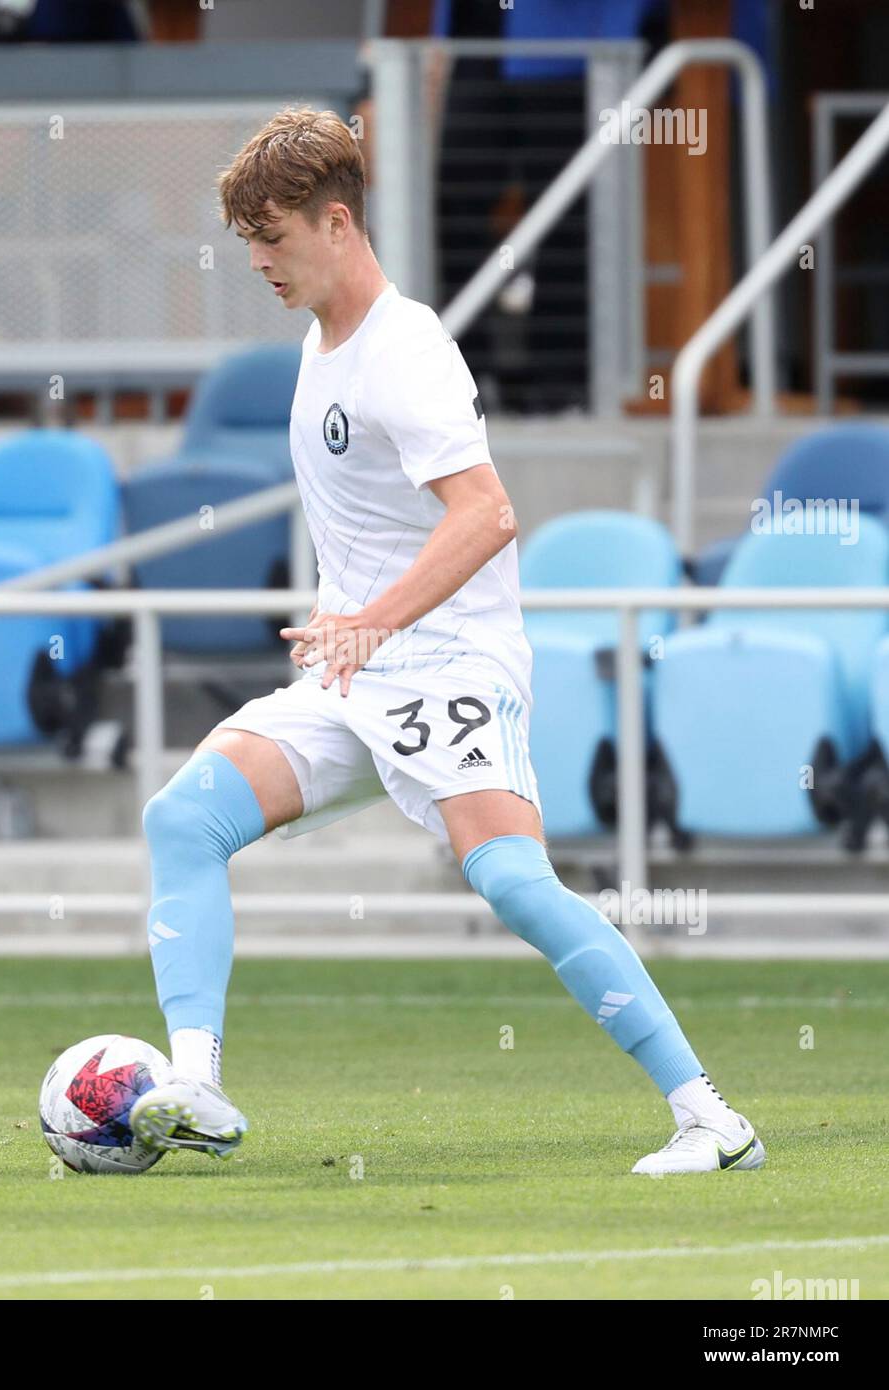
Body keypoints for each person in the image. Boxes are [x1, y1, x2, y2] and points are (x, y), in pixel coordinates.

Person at [130, 107, 765, 1176]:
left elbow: (487, 513)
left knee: (515, 882)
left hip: (447, 662)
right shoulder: (319, 339)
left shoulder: (406, 350)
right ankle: (195, 1083)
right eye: (248, 240)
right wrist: (355, 629)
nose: (257, 262)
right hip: (353, 670)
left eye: (273, 238)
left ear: (338, 224)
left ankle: (713, 1118)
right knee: (182, 819)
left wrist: (371, 620)